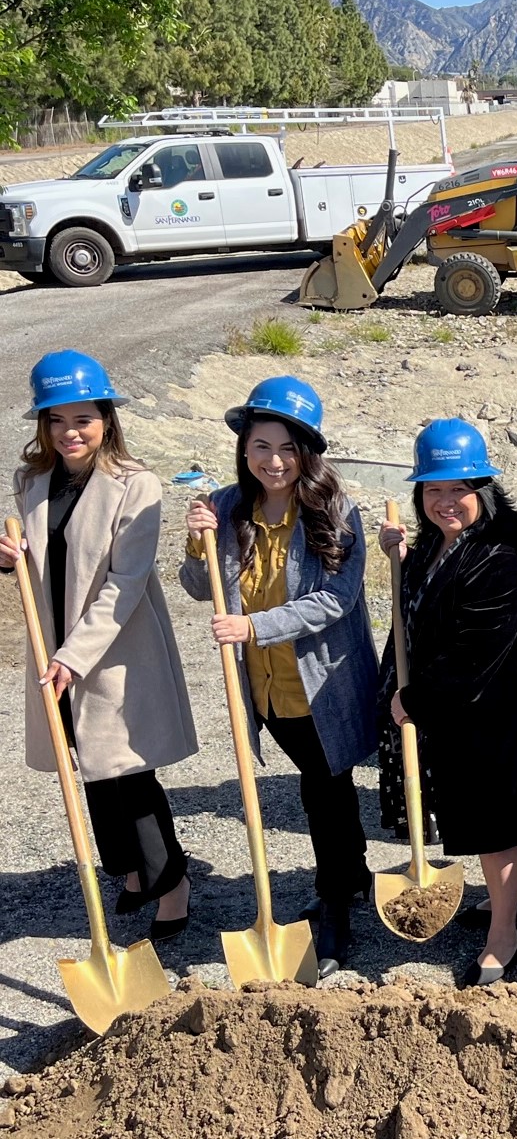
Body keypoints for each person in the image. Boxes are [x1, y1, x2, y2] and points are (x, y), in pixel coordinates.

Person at [180, 378, 377, 976]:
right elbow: (199, 588)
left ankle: (337, 899)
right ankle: (353, 874)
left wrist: (254, 626)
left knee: (325, 789)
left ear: (308, 453)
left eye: (288, 449)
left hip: (322, 686)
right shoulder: (225, 507)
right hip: (265, 687)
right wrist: (196, 546)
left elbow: (334, 600)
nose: (274, 461)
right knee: (326, 789)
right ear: (243, 448)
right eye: (261, 446)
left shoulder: (336, 511)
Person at [1, 351, 198, 938]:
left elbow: (125, 582)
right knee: (87, 766)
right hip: (53, 642)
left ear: (106, 419)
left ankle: (171, 884)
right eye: (56, 420)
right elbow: (39, 558)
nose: (70, 433)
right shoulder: (32, 481)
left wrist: (74, 655)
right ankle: (130, 873)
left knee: (127, 770)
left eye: (82, 419)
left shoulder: (134, 485)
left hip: (116, 650)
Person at [377, 419, 517, 986]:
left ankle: (505, 936)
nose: (445, 501)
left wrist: (414, 698)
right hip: (469, 712)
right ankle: (502, 901)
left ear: (483, 490)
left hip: (502, 714)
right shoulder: (446, 543)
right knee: (491, 827)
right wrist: (405, 555)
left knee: (496, 826)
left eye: (458, 489)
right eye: (433, 489)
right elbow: (425, 600)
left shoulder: (503, 556)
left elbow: (476, 650)